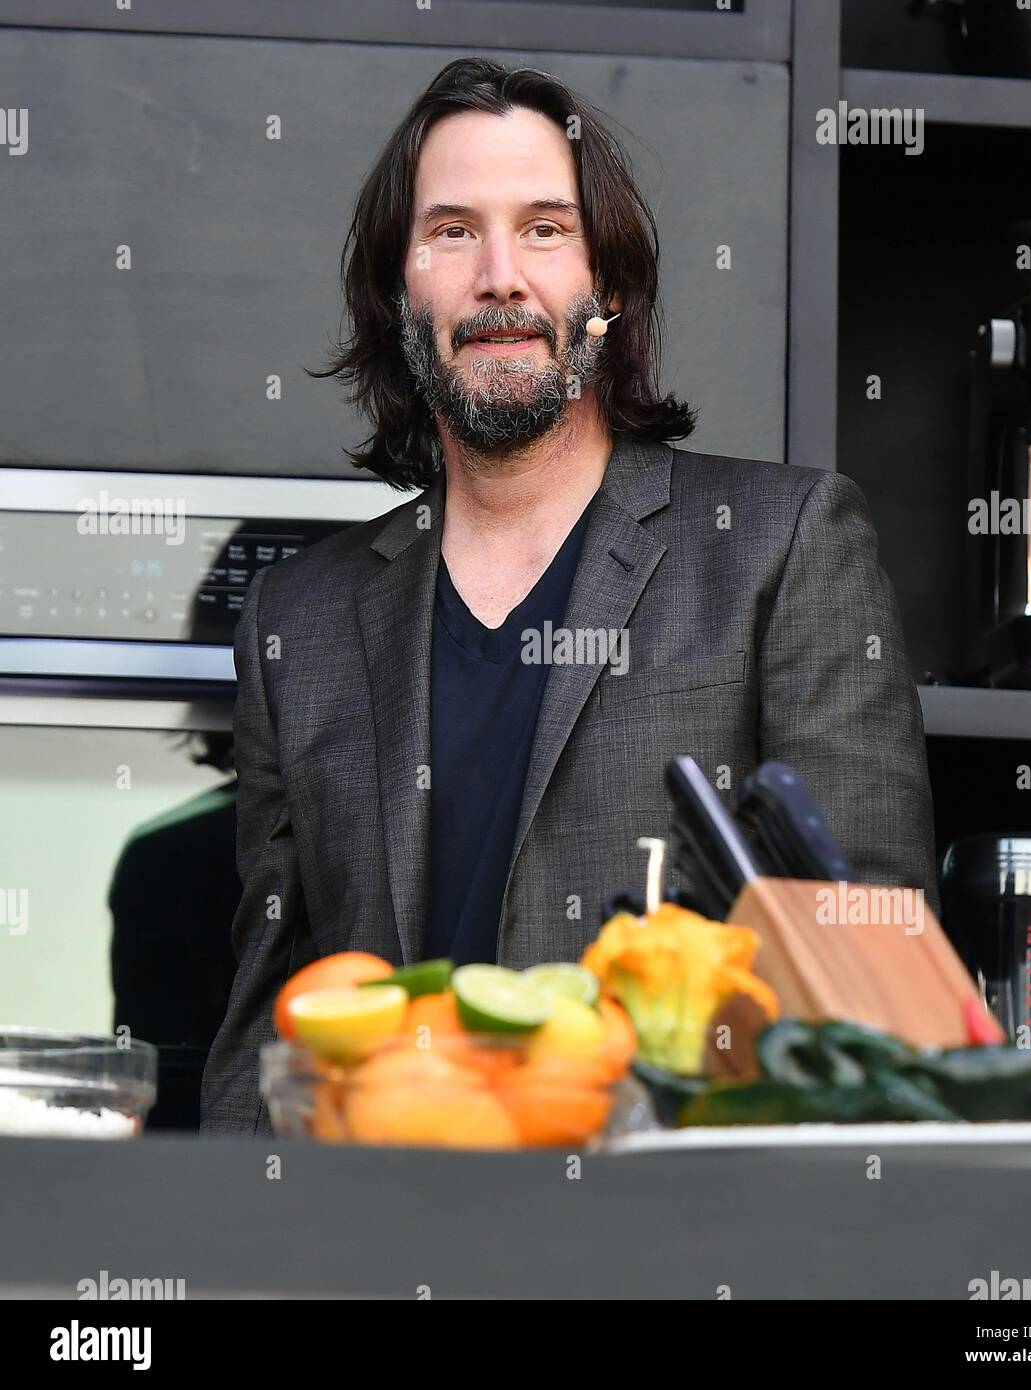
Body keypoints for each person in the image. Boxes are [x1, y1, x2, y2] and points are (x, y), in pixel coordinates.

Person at [200, 57, 938, 1136]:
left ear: (612, 285)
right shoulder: (295, 624)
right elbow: (271, 1031)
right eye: (453, 231)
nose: (501, 276)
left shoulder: (780, 548)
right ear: (396, 290)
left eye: (545, 229)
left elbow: (875, 989)